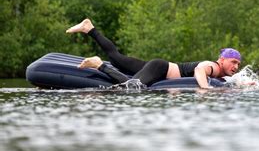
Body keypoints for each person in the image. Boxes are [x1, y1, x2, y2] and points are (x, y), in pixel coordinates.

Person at [66, 19, 241, 89]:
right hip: (160, 69)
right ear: (222, 60)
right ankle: (99, 64)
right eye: (233, 62)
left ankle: (89, 28)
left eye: (238, 64)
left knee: (117, 58)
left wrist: (246, 83)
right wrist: (205, 89)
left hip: (159, 66)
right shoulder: (213, 67)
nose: (235, 66)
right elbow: (200, 71)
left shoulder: (221, 73)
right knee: (133, 87)